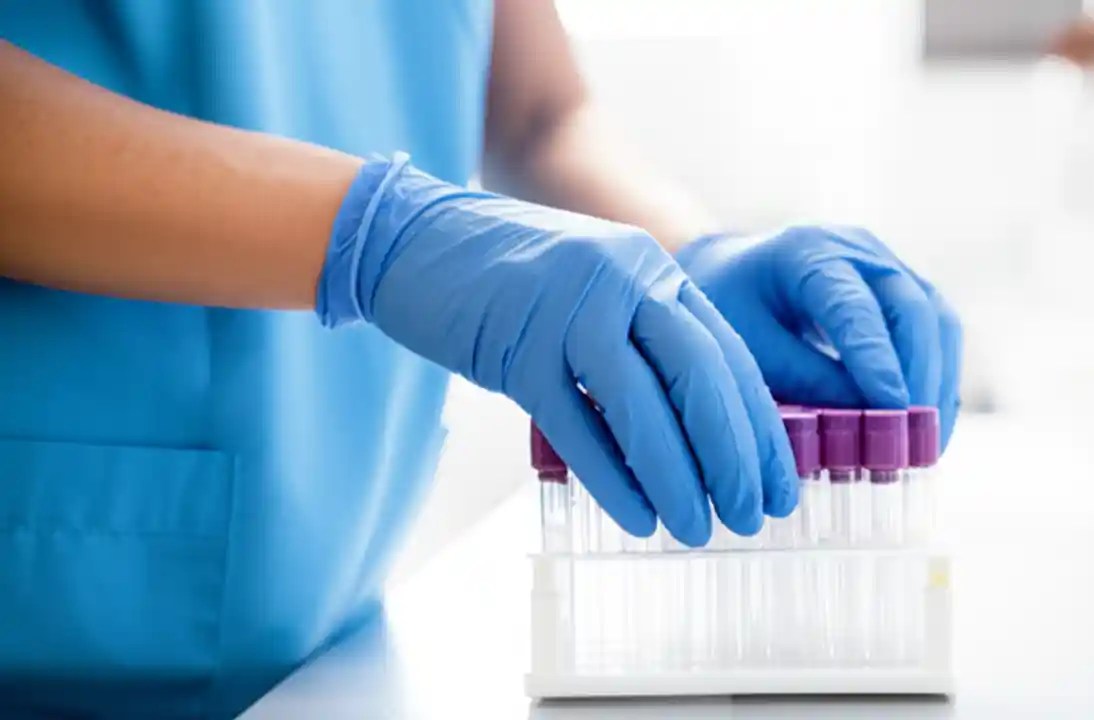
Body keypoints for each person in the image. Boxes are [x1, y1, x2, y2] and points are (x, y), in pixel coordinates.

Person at [0, 1, 961, 717]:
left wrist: (685, 260)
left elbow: (538, 109)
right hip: (48, 619)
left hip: (329, 642)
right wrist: (378, 236)